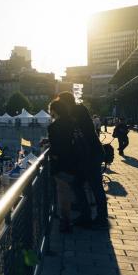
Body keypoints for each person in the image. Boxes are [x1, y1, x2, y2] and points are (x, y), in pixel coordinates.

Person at [57, 92, 109, 229]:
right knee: (77, 184)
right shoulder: (74, 112)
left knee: (95, 186)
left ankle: (101, 219)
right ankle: (86, 216)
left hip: (91, 155)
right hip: (85, 156)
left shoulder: (77, 110)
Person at [47, 97, 78, 233]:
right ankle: (68, 219)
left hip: (60, 164)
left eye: (51, 111)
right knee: (68, 192)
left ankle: (65, 222)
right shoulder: (72, 122)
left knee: (62, 193)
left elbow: (56, 147)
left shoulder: (54, 126)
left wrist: (51, 150)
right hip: (73, 161)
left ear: (54, 111)